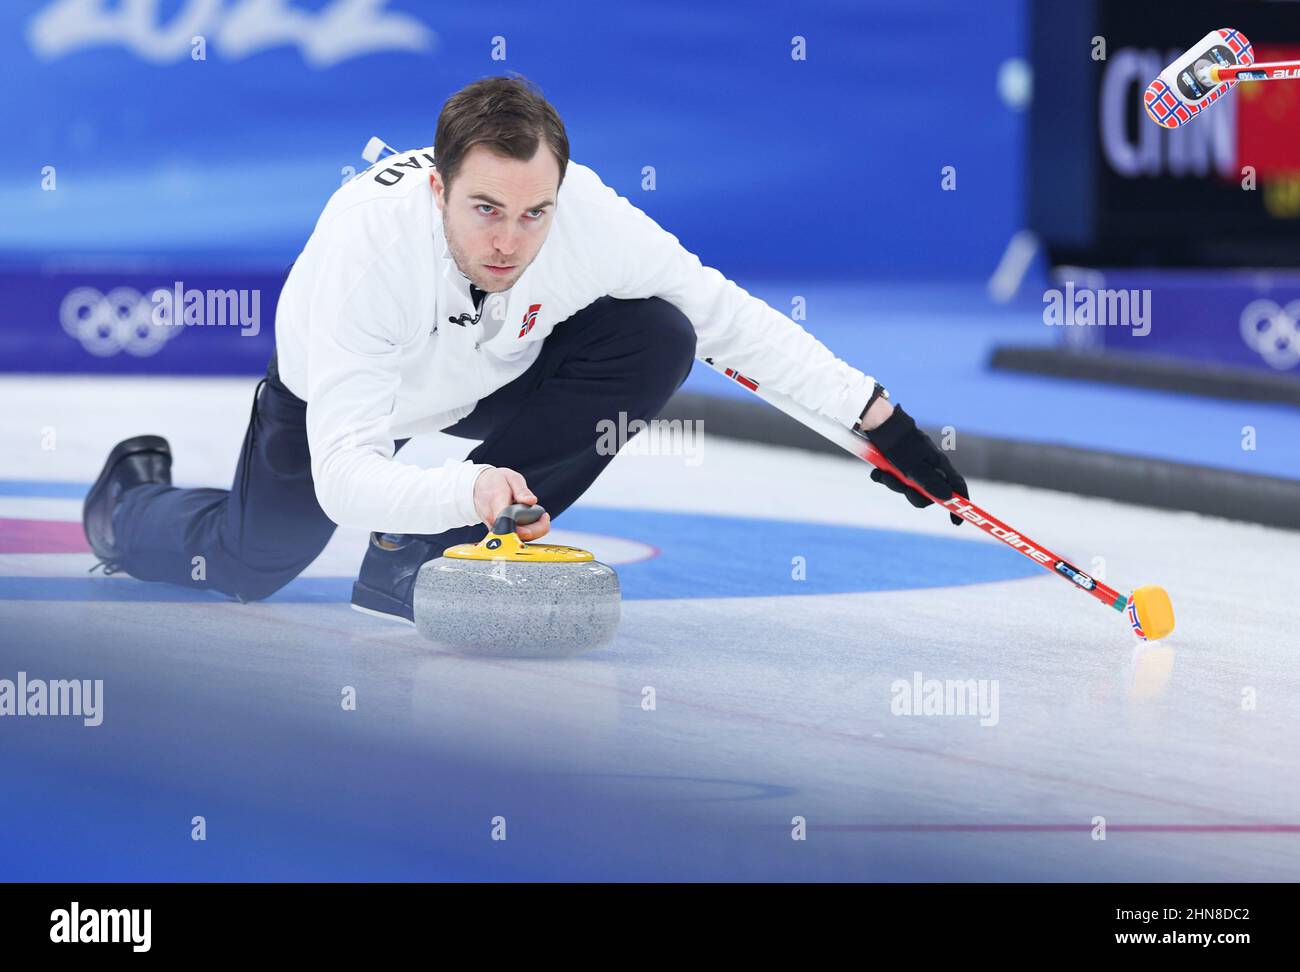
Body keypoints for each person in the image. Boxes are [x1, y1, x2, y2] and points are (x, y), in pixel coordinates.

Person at [83, 74, 967, 625]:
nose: (510, 240)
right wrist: (464, 485)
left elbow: (730, 319)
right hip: (343, 395)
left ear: (561, 190)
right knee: (249, 564)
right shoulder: (369, 251)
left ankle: (422, 563)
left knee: (662, 331)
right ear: (438, 187)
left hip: (487, 372)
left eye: (534, 212)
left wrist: (878, 422)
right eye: (486, 211)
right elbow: (345, 476)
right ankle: (125, 508)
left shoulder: (586, 216)